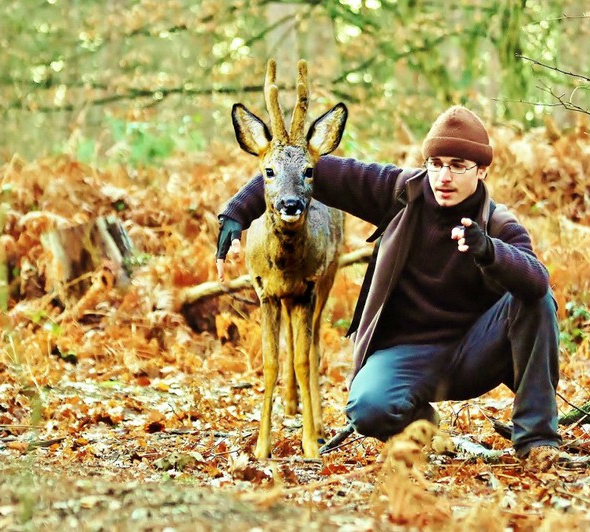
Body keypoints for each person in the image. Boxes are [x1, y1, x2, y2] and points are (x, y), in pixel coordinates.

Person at [216, 106, 561, 471]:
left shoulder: (498, 222)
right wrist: (237, 213)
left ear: (482, 170)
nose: (444, 175)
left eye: (458, 165)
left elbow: (537, 281)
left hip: (474, 353)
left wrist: (489, 250)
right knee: (367, 409)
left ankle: (536, 440)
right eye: (437, 162)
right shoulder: (399, 193)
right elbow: (297, 166)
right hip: (407, 356)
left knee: (537, 300)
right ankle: (419, 424)